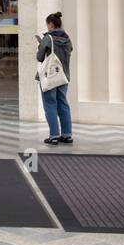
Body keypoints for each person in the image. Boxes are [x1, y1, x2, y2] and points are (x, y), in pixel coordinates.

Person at [37, 12, 74, 146]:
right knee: (63, 104)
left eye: (47, 25)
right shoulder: (67, 38)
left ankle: (53, 136)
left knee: (50, 104)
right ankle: (67, 135)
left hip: (50, 77)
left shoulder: (48, 38)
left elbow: (39, 57)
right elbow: (70, 51)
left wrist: (41, 45)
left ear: (51, 25)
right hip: (63, 76)